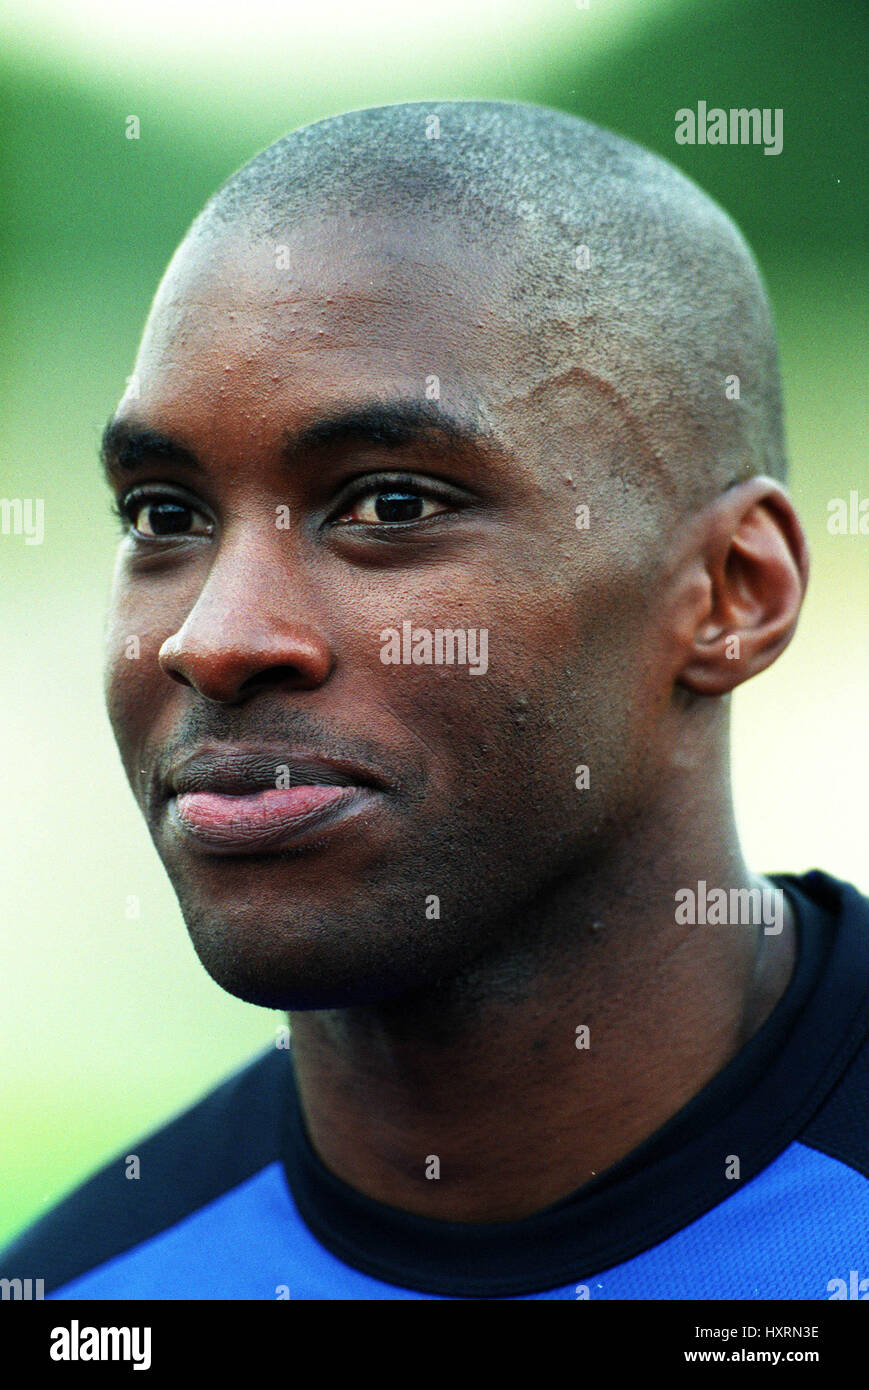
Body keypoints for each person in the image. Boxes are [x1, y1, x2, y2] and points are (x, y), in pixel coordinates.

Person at [2, 100, 866, 1300]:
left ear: (728, 593)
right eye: (165, 515)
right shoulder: (88, 1295)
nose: (215, 639)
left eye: (389, 505)